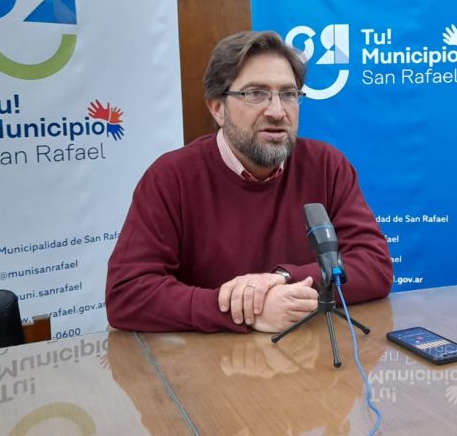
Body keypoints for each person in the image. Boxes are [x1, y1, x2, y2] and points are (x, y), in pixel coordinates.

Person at [105, 30, 393, 333]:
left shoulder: (326, 166)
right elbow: (127, 294)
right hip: (207, 366)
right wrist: (246, 310)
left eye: (289, 94)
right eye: (255, 94)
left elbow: (374, 265)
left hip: (311, 358)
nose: (277, 111)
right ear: (217, 108)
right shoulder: (170, 178)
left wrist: (282, 279)